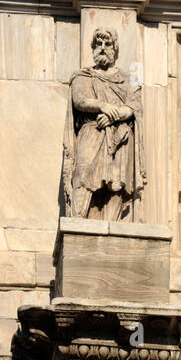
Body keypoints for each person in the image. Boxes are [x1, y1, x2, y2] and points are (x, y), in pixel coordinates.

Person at [63, 28, 145, 220]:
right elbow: (79, 99)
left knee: (117, 182)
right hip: (91, 130)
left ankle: (112, 226)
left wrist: (114, 116)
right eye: (98, 44)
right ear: (93, 48)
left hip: (120, 135)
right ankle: (78, 221)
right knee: (82, 173)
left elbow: (134, 106)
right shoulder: (83, 76)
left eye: (107, 44)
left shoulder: (127, 80)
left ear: (114, 49)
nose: (102, 48)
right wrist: (103, 106)